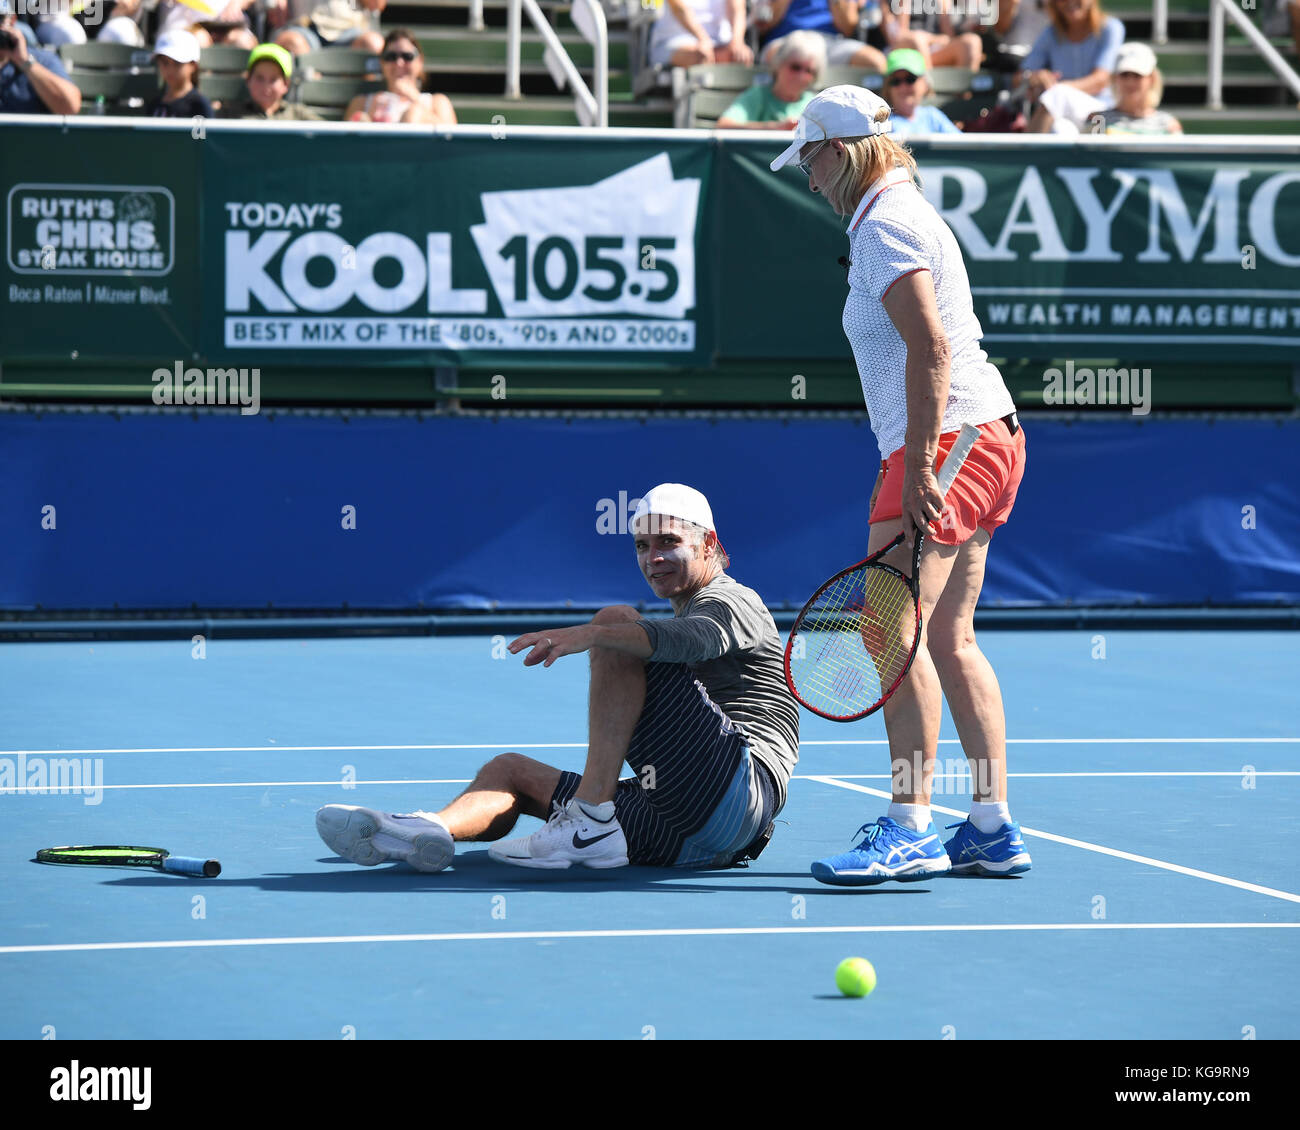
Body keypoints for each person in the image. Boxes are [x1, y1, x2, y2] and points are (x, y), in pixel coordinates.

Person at [770, 86, 1030, 885]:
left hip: (946, 442)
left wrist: (917, 464)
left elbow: (933, 346)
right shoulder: (904, 211)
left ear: (841, 153)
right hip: (989, 434)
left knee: (891, 630)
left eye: (810, 158)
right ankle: (987, 825)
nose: (807, 177)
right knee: (948, 638)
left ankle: (911, 824)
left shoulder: (884, 223)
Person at [317, 484, 799, 873]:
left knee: (616, 623)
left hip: (740, 792)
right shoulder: (688, 601)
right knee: (509, 772)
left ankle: (589, 818)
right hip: (690, 835)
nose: (653, 557)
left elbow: (697, 638)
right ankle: (426, 831)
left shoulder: (735, 599)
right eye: (642, 546)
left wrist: (594, 632)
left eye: (669, 542)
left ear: (708, 544)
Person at [1018, 0, 1123, 132]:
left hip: (1102, 113)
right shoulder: (1051, 33)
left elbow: (1100, 81)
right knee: (1059, 129)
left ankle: (1028, 151)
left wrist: (1057, 88)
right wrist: (1036, 77)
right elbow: (1021, 75)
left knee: (1057, 96)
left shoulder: (1110, 27)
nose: (1069, 2)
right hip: (1063, 110)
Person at [343, 28, 455, 124]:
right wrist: (371, 117)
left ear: (420, 62)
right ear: (382, 63)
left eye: (407, 56)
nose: (399, 63)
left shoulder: (437, 102)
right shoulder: (362, 103)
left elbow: (452, 141)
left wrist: (415, 100)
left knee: (413, 113)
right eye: (391, 57)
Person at [716, 28, 822, 129]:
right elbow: (724, 125)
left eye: (809, 71)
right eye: (795, 67)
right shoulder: (759, 95)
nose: (801, 76)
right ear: (779, 64)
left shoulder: (815, 104)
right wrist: (773, 128)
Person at [1080, 41, 1180, 134]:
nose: (1130, 82)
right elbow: (1091, 152)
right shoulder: (1098, 120)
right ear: (1115, 79)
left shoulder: (1169, 125)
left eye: (1137, 75)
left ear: (1152, 79)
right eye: (1125, 74)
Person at [0, 0, 81, 114]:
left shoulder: (43, 60)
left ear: (12, 20)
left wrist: (25, 62)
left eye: (0, 20)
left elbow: (70, 108)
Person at [757, 0, 886, 72]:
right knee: (778, 57)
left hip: (829, 42)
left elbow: (848, 27)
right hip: (787, 39)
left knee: (877, 62)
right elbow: (764, 24)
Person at [225, 42, 322, 119]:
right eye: (260, 78)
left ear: (286, 84)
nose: (266, 86)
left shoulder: (298, 115)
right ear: (248, 80)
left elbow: (328, 137)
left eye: (273, 79)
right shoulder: (230, 114)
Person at [882, 46, 961, 135]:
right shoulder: (882, 124)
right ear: (888, 87)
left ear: (924, 83)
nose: (903, 87)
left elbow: (962, 144)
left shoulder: (932, 116)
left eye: (910, 79)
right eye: (896, 81)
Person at [649, 0, 752, 68]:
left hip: (718, 44)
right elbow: (679, 9)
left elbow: (737, 9)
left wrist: (737, 43)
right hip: (672, 42)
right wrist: (704, 40)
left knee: (742, 58)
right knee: (701, 57)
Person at [268, 0, 386, 57]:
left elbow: (376, 4)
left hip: (349, 30)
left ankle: (359, 102)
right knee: (292, 42)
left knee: (373, 44)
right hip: (304, 27)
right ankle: (310, 97)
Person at [890, 0, 984, 72]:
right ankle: (929, 90)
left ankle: (962, 94)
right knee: (919, 40)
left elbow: (948, 37)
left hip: (935, 48)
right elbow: (901, 34)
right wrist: (925, 39)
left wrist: (930, 39)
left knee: (972, 42)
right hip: (911, 50)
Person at [145, 28, 213, 118]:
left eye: (177, 63)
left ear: (193, 65)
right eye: (164, 62)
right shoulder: (154, 104)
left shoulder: (199, 105)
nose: (170, 69)